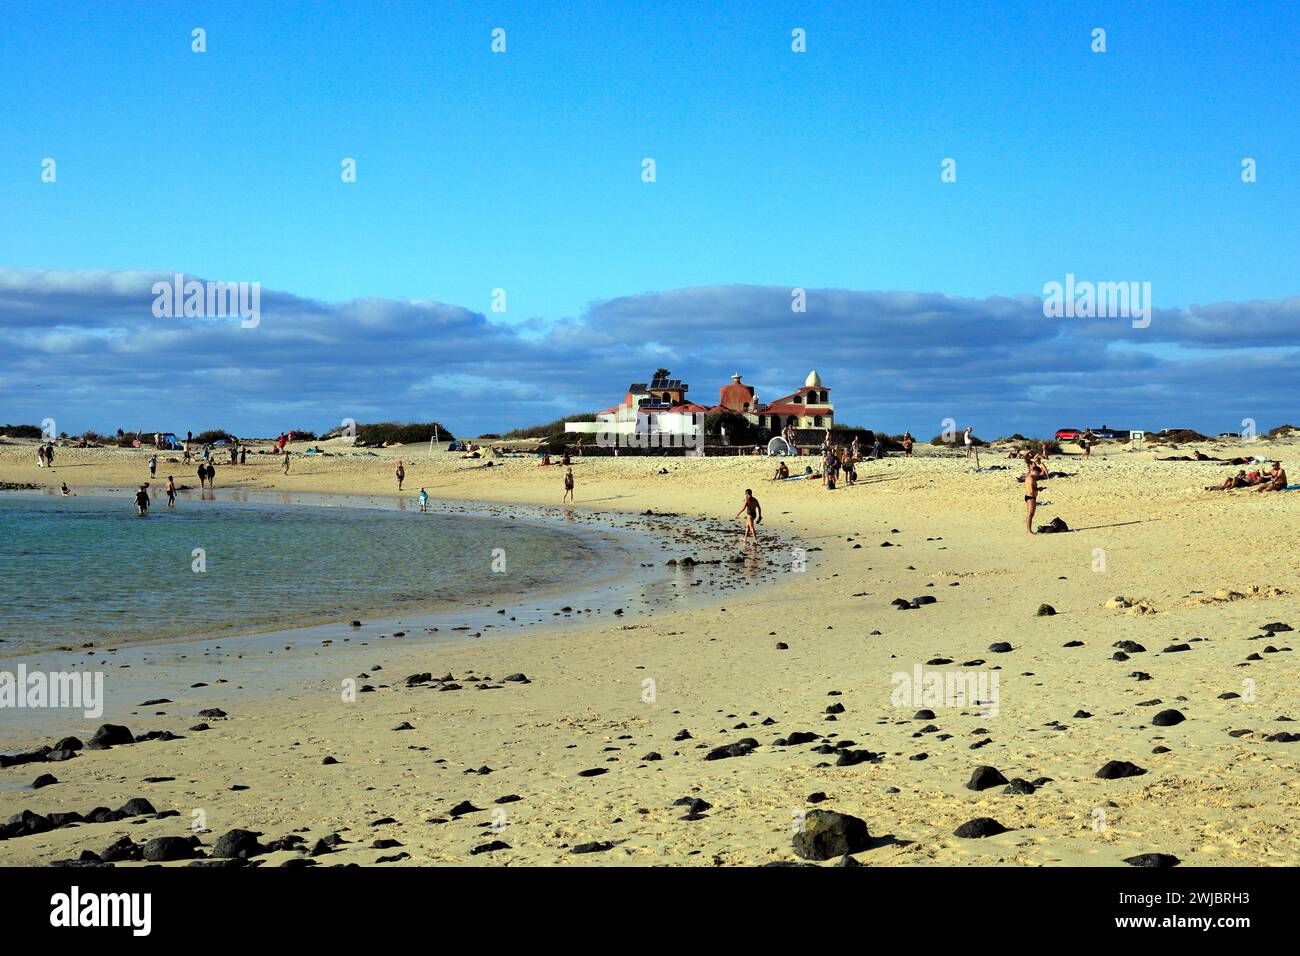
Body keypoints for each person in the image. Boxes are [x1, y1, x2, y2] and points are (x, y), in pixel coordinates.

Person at [1023, 457, 1039, 535]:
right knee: (1030, 514)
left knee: (1031, 514)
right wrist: (1038, 489)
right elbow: (1032, 489)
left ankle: (1029, 530)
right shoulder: (1031, 478)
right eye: (1037, 474)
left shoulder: (1031, 477)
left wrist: (1038, 488)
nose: (1037, 475)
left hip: (1031, 496)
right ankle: (1029, 531)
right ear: (1034, 471)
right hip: (1030, 497)